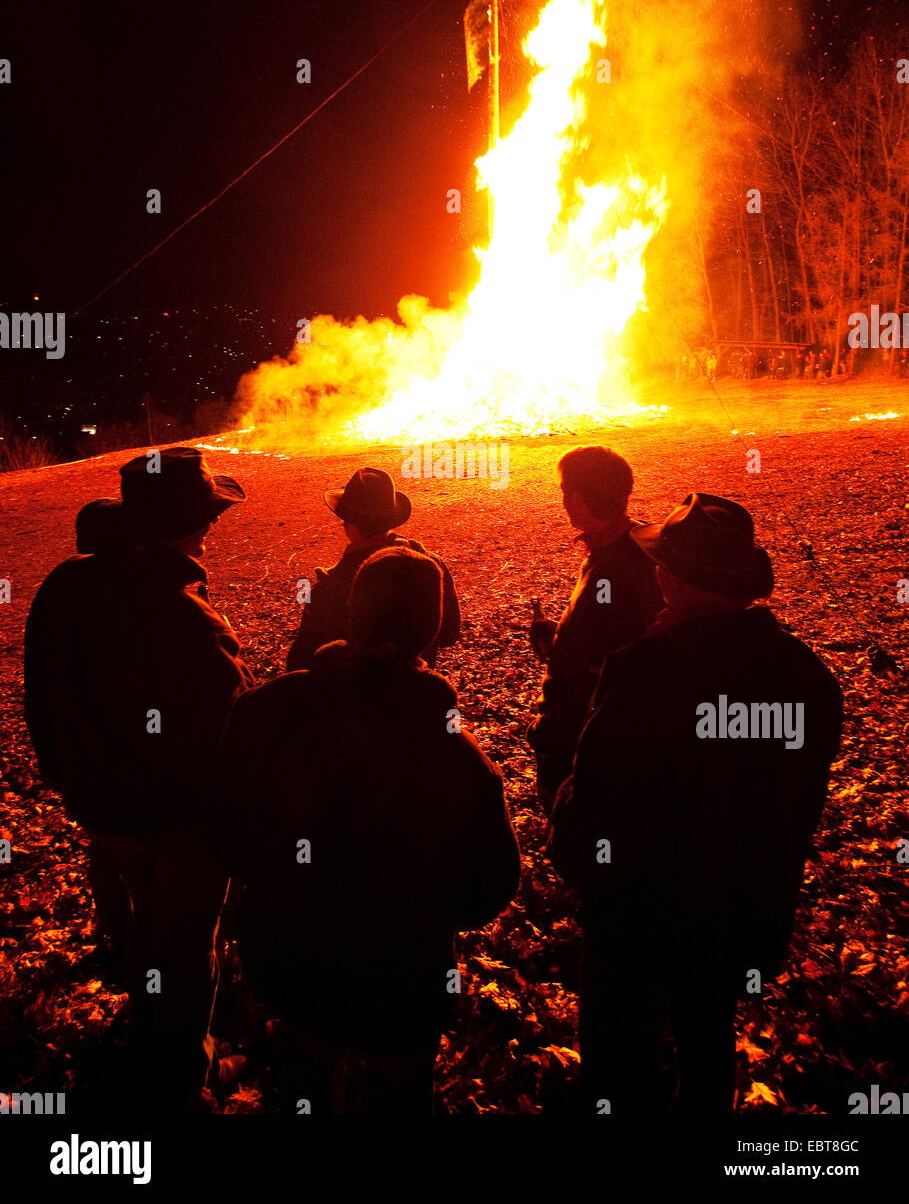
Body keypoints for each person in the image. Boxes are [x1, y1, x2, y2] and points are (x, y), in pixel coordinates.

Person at [549, 493, 842, 1114]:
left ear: (675, 580)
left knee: (616, 1062)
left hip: (638, 916)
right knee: (707, 1041)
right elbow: (800, 806)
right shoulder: (809, 680)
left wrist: (577, 857)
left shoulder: (641, 671)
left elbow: (594, 795)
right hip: (740, 909)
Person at [215, 546, 520, 1113]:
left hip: (292, 956)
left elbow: (227, 830)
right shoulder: (455, 757)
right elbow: (490, 883)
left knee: (307, 1075)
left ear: (352, 612)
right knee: (400, 1093)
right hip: (404, 975)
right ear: (430, 636)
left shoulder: (266, 711)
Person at [25, 447, 252, 1108]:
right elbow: (226, 741)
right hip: (174, 824)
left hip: (100, 807)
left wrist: (72, 789)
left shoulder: (66, 585)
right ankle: (178, 1078)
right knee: (182, 947)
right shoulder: (190, 618)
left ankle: (145, 1035)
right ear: (197, 525)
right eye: (208, 517)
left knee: (147, 924)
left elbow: (39, 695)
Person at [526, 447, 662, 813]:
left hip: (590, 743)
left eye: (564, 490)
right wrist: (560, 640)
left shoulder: (616, 567)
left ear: (578, 497)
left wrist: (550, 731)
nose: (564, 500)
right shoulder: (642, 546)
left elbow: (614, 673)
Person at [286, 466, 460, 672]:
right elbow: (449, 635)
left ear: (348, 524)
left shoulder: (330, 588)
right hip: (416, 692)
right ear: (391, 518)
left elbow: (301, 661)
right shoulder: (431, 566)